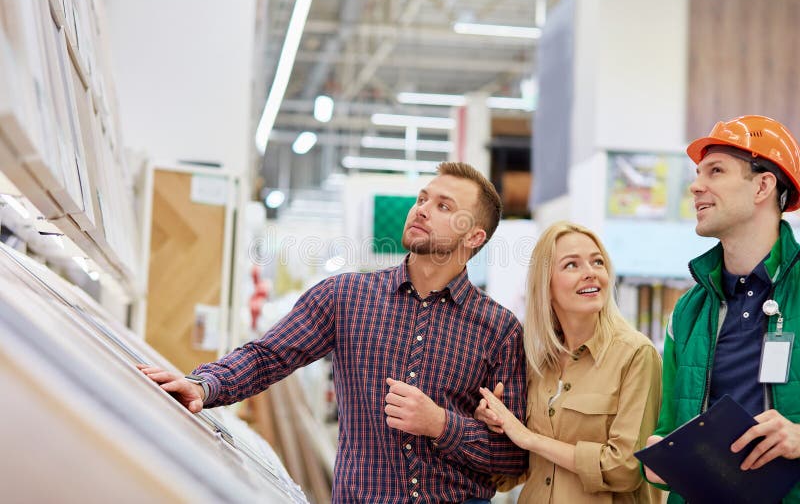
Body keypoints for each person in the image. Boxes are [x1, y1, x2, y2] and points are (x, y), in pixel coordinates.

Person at [138, 162, 528, 504]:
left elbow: (513, 456)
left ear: (474, 236)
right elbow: (267, 356)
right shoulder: (346, 297)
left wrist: (441, 424)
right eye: (423, 198)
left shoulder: (499, 330)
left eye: (443, 206)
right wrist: (204, 386)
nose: (422, 210)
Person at [644, 115, 800, 503]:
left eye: (716, 171)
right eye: (698, 174)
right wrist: (661, 456)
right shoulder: (688, 311)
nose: (696, 186)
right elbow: (668, 427)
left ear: (763, 185)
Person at [476, 221, 662, 503]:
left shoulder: (636, 354)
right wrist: (494, 427)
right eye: (572, 265)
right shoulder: (537, 364)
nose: (590, 273)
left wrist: (529, 438)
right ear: (546, 286)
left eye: (597, 262)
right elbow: (510, 476)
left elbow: (625, 469)